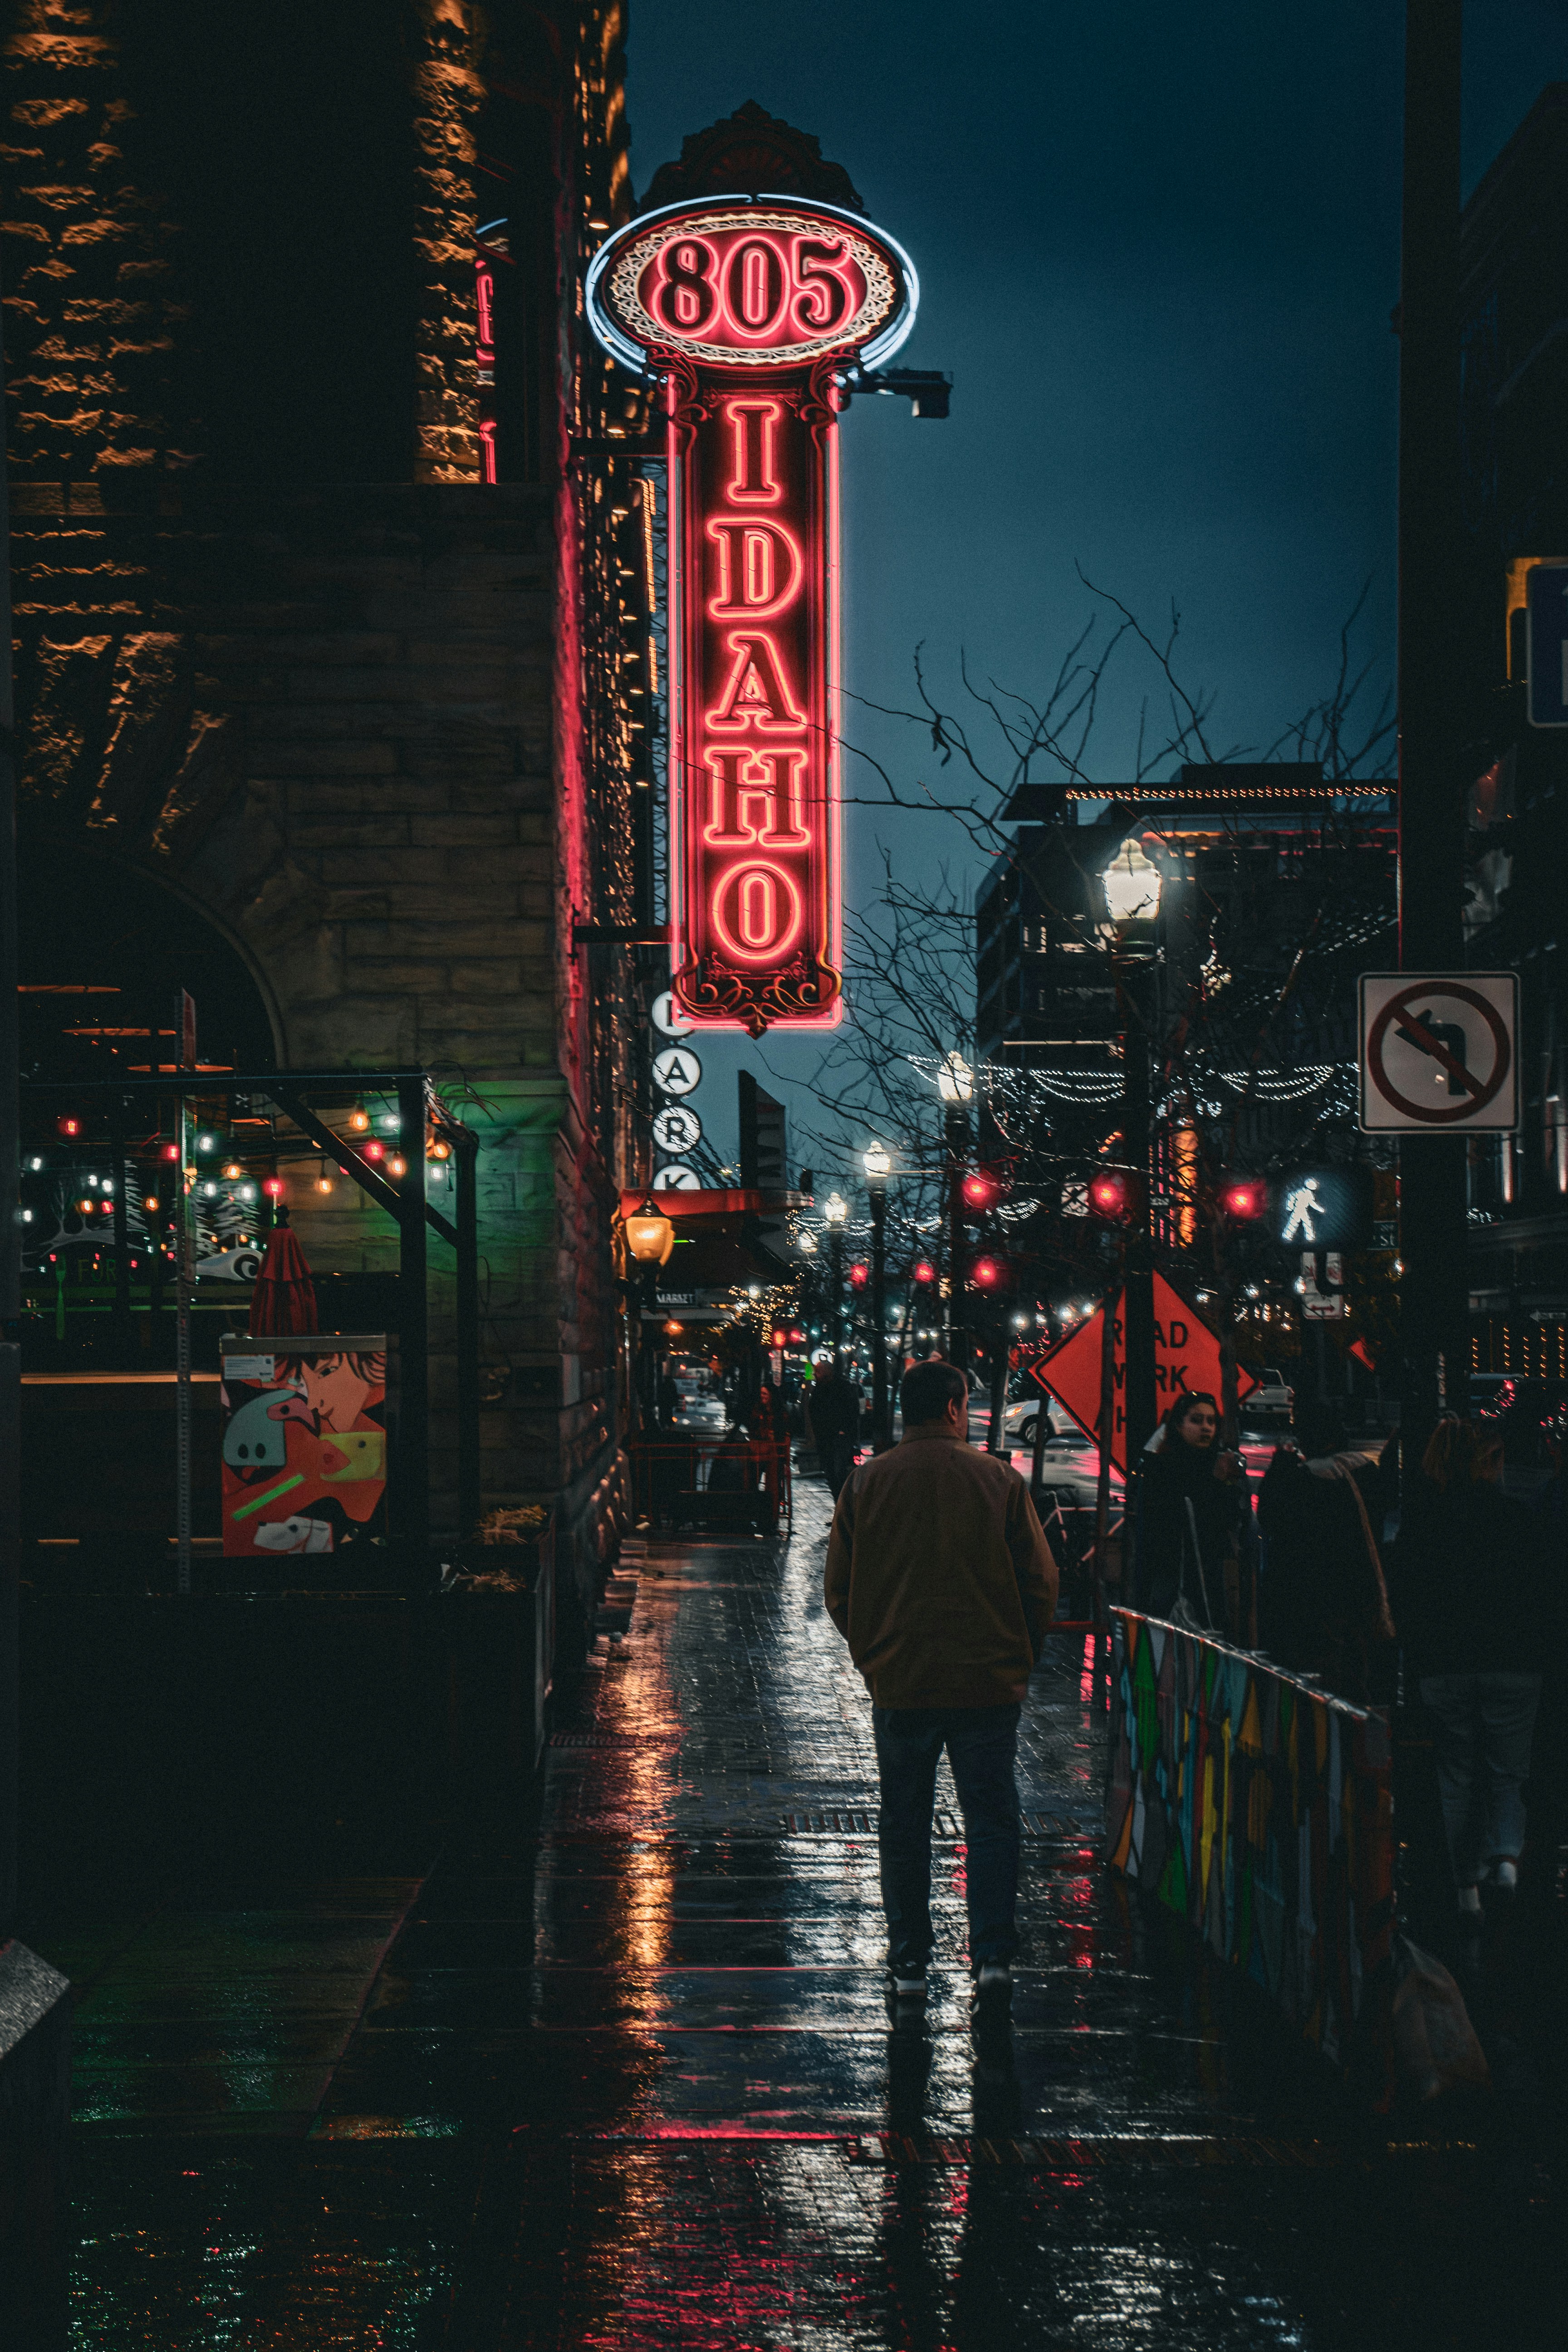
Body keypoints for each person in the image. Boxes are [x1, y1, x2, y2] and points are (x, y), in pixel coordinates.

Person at [824, 1357, 1058, 2004]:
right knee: (990, 1818)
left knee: (904, 1820)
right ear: (956, 1408)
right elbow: (1041, 1582)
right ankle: (991, 1956)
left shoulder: (866, 1485)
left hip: (903, 1683)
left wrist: (876, 1654)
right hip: (987, 1683)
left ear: (906, 1408)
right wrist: (1020, 1655)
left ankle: (908, 1960)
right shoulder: (998, 1482)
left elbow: (839, 1589)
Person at [1388, 1417, 1545, 1916]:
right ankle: (1505, 1859)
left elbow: (1406, 1595)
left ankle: (1466, 1888)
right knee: (1508, 1770)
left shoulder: (1424, 1522)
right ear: (1490, 1464)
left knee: (1456, 1771)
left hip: (1445, 1663)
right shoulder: (1517, 1519)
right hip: (1512, 1660)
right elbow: (1539, 1595)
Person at [1257, 1400, 1396, 1702]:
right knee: (1357, 1672)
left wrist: (1281, 1469)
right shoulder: (1364, 1472)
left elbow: (1273, 1519)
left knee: (1325, 1680)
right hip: (1361, 1589)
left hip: (1315, 1598)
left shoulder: (1305, 1480)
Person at [1133, 1391, 1249, 1632]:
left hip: (1210, 1580)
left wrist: (1229, 1483)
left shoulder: (1217, 1462)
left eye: (1211, 1421)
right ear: (1179, 1424)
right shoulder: (1162, 1467)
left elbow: (1227, 1521)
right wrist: (1215, 1483)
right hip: (1172, 1579)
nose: (1206, 1428)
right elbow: (1177, 1518)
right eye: (1196, 1420)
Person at [807, 1354, 861, 1499]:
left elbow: (851, 1410)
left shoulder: (840, 1388)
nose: (815, 1375)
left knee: (839, 1473)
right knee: (832, 1474)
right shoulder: (821, 1389)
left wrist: (844, 1431)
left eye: (818, 1372)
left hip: (838, 1438)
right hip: (827, 1438)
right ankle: (840, 1508)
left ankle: (843, 1509)